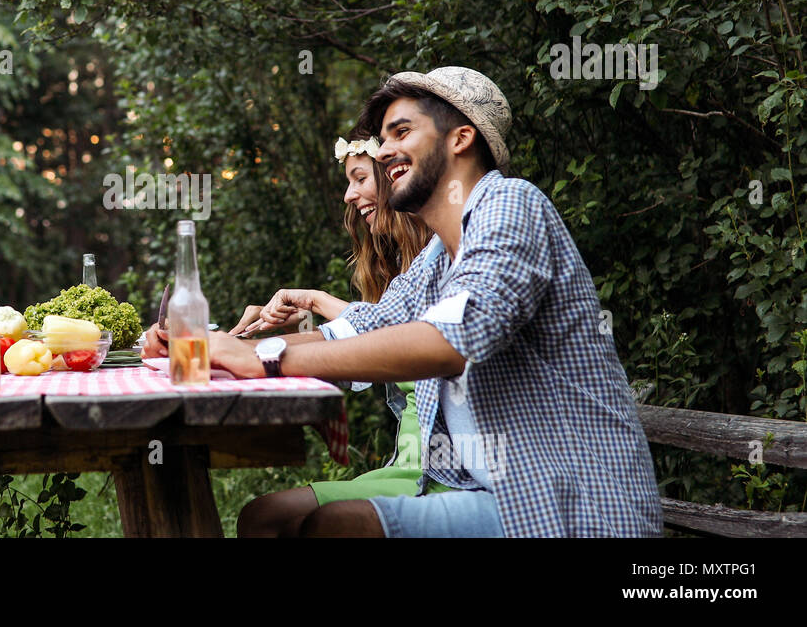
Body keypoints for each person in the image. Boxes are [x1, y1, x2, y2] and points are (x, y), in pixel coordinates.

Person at [195, 67, 661, 537]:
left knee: (339, 528)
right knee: (283, 522)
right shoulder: (438, 255)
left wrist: (269, 362)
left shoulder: (512, 204)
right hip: (495, 497)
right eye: (382, 138)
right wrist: (224, 347)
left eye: (401, 131)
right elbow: (367, 324)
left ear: (461, 138)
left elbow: (451, 342)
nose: (382, 151)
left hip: (571, 505)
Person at [227, 133, 441, 537]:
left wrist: (250, 349)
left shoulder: (455, 251)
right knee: (262, 516)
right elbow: (371, 327)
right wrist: (295, 317)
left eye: (360, 178)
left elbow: (383, 334)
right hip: (411, 467)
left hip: (442, 474)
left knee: (274, 518)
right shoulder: (409, 273)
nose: (348, 195)